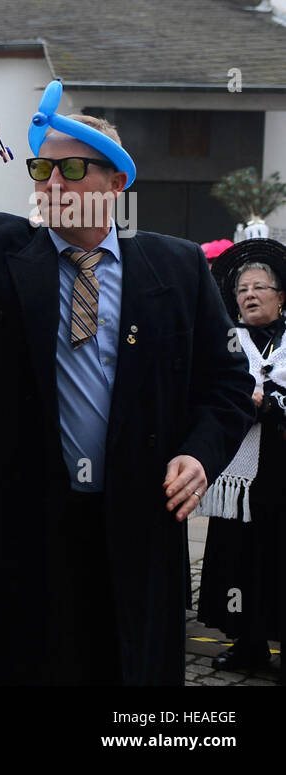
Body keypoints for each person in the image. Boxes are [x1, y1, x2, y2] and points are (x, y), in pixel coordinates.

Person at [0, 105, 254, 684]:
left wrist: (200, 454)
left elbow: (227, 382)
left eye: (71, 167)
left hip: (132, 523)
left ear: (117, 182)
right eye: (41, 169)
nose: (53, 182)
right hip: (17, 526)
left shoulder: (176, 266)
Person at [198, 238, 286, 678]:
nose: (249, 295)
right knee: (241, 556)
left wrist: (270, 403)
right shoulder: (228, 341)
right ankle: (248, 643)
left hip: (282, 467)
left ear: (281, 295)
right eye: (241, 289)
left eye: (259, 287)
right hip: (242, 475)